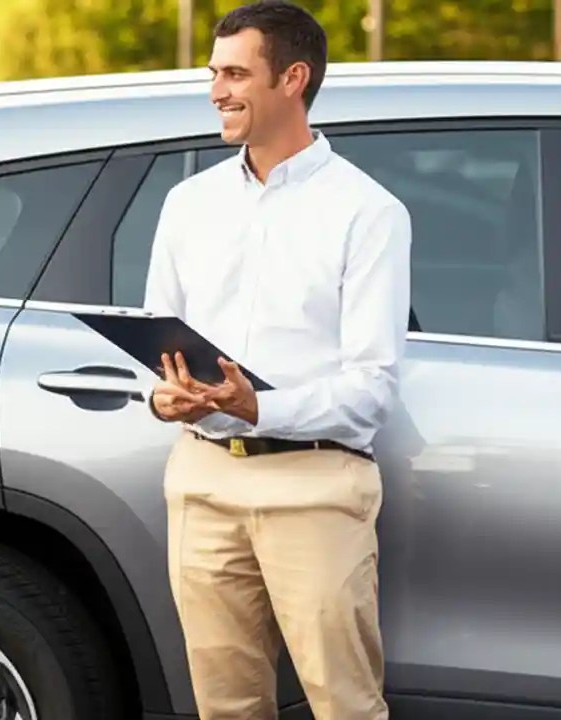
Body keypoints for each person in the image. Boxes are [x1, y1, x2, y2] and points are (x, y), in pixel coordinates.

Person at [144, 1, 411, 718]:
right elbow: (159, 344)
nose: (216, 92)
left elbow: (372, 387)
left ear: (293, 79)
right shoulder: (187, 204)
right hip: (202, 482)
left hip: (316, 488)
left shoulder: (368, 212)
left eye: (235, 74)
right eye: (213, 74)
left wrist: (258, 406)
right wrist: (164, 398)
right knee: (225, 707)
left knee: (346, 706)